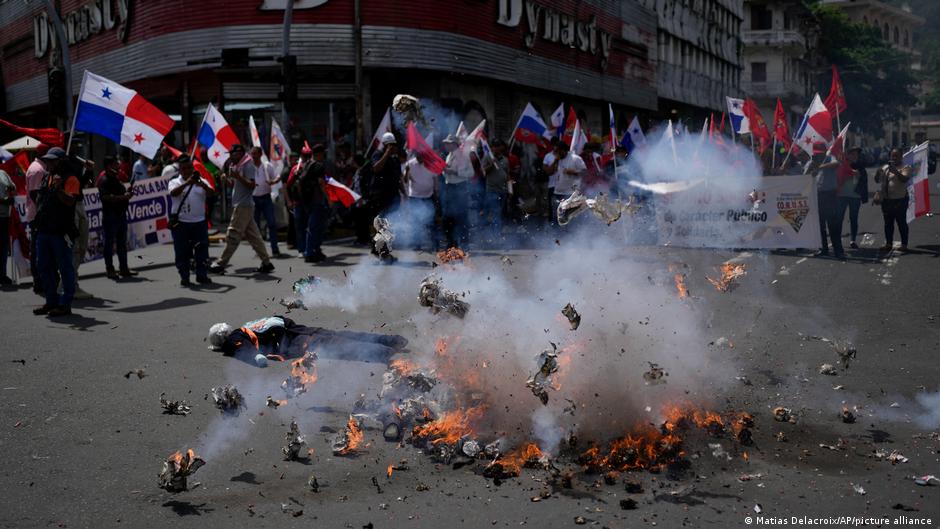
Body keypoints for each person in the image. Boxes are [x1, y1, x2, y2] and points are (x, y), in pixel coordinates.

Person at [208, 315, 408, 365]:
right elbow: (280, 319)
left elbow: (240, 348)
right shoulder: (250, 324)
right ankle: (391, 340)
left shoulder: (235, 336)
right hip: (300, 329)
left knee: (341, 347)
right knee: (343, 336)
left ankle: (386, 354)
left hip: (295, 340)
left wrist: (257, 358)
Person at [209, 144, 275, 274]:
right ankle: (266, 262)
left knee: (233, 234)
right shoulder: (239, 165)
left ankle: (221, 263)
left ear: (239, 153)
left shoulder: (248, 165)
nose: (230, 157)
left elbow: (251, 185)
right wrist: (227, 179)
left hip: (243, 205)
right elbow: (236, 184)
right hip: (243, 205)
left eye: (232, 154)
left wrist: (237, 176)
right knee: (254, 237)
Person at [31, 147, 80, 317]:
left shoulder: (71, 179)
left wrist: (59, 188)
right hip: (44, 230)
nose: (49, 163)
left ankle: (65, 304)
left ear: (61, 162)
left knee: (65, 268)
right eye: (48, 160)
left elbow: (70, 202)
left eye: (53, 160)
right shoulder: (47, 177)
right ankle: (51, 301)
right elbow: (40, 198)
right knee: (43, 266)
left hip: (61, 231)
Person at [168, 155, 215, 286]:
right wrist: (187, 183)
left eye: (189, 167)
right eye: (184, 168)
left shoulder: (201, 181)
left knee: (202, 251)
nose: (187, 170)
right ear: (180, 170)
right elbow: (173, 193)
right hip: (181, 223)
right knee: (182, 252)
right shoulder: (175, 182)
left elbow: (211, 194)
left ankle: (202, 275)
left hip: (199, 222)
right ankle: (185, 277)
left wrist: (201, 185)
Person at [96, 156, 137, 279]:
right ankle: (110, 269)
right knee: (109, 244)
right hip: (110, 216)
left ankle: (124, 268)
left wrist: (128, 193)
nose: (118, 166)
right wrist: (123, 197)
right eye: (115, 164)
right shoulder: (104, 180)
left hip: (120, 215)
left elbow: (120, 194)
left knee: (122, 243)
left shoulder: (116, 179)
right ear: (108, 166)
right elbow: (105, 198)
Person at [295, 144, 330, 263]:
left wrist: (303, 200)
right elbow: (321, 183)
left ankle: (315, 250)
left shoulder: (306, 165)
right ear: (319, 154)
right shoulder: (318, 166)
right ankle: (309, 253)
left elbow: (299, 182)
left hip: (307, 201)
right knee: (315, 227)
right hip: (316, 200)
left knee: (314, 227)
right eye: (323, 153)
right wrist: (328, 198)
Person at [874, 148, 912, 253]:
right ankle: (888, 244)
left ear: (901, 157)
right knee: (888, 223)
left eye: (897, 156)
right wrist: (877, 173)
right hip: (886, 200)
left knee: (901, 223)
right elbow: (877, 180)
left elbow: (904, 179)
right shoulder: (885, 167)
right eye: (892, 156)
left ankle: (904, 244)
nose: (894, 158)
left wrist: (895, 171)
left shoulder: (906, 167)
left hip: (900, 200)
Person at [810, 144, 844, 259]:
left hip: (830, 195)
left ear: (825, 152)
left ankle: (838, 250)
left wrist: (821, 166)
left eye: (820, 153)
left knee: (833, 224)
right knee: (820, 225)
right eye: (816, 154)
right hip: (818, 195)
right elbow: (805, 174)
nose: (818, 155)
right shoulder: (813, 163)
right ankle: (823, 248)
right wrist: (812, 170)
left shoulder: (830, 158)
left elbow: (837, 164)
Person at [402, 146, 439, 250]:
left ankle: (435, 244)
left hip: (428, 196)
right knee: (415, 221)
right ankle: (416, 244)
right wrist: (407, 171)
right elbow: (405, 180)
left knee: (431, 220)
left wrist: (436, 194)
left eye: (421, 156)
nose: (419, 158)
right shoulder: (410, 163)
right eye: (417, 156)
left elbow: (435, 179)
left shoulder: (431, 164)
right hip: (415, 196)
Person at [249, 146, 282, 257]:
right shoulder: (249, 167)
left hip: (266, 198)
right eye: (252, 153)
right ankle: (259, 250)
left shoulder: (267, 166)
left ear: (260, 154)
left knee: (272, 223)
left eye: (255, 153)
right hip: (253, 199)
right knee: (255, 226)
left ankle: (275, 249)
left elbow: (277, 176)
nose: (253, 156)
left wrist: (273, 181)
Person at [441, 134, 473, 248]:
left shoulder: (462, 155)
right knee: (448, 217)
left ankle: (463, 243)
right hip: (450, 187)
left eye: (448, 143)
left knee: (461, 216)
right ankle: (451, 243)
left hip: (459, 188)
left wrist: (454, 172)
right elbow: (447, 173)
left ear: (454, 144)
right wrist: (445, 171)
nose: (445, 145)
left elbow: (470, 173)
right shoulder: (449, 155)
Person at [836, 147, 868, 250]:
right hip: (841, 195)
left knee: (853, 218)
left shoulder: (860, 167)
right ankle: (837, 239)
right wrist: (847, 174)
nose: (855, 156)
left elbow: (864, 181)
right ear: (847, 155)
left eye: (856, 155)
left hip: (855, 196)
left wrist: (858, 175)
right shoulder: (841, 165)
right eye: (852, 154)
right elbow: (836, 178)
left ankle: (853, 240)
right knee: (839, 218)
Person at [481, 139, 511, 247]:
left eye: (499, 146)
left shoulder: (505, 159)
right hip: (492, 190)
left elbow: (507, 173)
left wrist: (510, 188)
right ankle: (495, 237)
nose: (497, 148)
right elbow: (484, 172)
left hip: (502, 190)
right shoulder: (487, 158)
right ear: (491, 147)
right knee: (496, 213)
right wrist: (492, 164)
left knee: (499, 214)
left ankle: (495, 235)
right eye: (495, 146)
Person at [286, 146, 312, 256]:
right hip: (298, 201)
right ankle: (302, 249)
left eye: (308, 156)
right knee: (299, 227)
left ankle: (309, 248)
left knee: (310, 226)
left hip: (309, 201)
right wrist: (295, 175)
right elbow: (288, 184)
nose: (306, 158)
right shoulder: (296, 168)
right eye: (304, 155)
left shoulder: (312, 167)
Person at [551, 142, 586, 225]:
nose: (556, 153)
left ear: (563, 150)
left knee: (569, 218)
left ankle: (571, 236)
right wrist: (555, 161)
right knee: (557, 218)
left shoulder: (575, 158)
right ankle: (558, 236)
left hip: (570, 194)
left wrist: (573, 172)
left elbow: (584, 172)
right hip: (558, 192)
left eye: (558, 151)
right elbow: (549, 172)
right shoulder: (557, 160)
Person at [0, 167, 15, 284]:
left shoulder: (3, 173)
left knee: (4, 247)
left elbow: (12, 186)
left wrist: (11, 189)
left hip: (4, 217)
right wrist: (4, 200)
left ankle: (2, 274)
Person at [283, 151, 300, 250]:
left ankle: (297, 241)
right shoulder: (286, 171)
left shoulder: (297, 170)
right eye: (294, 159)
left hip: (297, 200)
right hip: (290, 200)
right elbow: (284, 188)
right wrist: (288, 201)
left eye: (297, 159)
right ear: (289, 160)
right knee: (292, 221)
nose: (296, 161)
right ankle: (290, 241)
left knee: (298, 221)